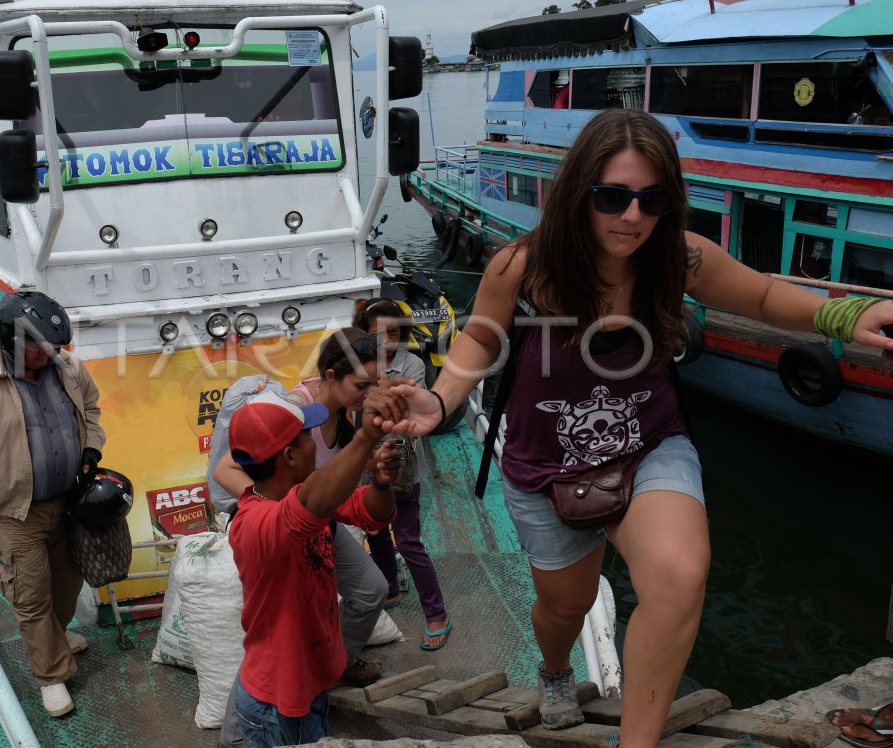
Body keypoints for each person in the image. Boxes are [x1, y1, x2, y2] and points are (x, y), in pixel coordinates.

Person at [378, 108, 893, 747]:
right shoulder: (523, 266)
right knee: (565, 605)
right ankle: (557, 667)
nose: (631, 217)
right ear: (577, 196)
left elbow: (761, 297)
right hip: (547, 462)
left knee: (679, 577)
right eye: (612, 197)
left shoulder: (680, 258)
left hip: (649, 443)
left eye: (650, 201)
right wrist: (441, 396)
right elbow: (479, 342)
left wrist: (846, 316)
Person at [0, 289, 107, 718]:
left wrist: (90, 449)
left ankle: (55, 636)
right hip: (17, 512)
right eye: (39, 345)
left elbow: (90, 409)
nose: (49, 352)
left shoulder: (69, 368)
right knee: (31, 596)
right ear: (12, 342)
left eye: (53, 344)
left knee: (67, 584)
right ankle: (51, 676)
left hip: (67, 499)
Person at [213, 328, 394, 686]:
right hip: (288, 525)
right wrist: (275, 511)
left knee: (371, 588)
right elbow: (224, 469)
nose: (369, 394)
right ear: (331, 376)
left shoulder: (344, 410)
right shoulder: (296, 412)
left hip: (320, 518)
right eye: (362, 385)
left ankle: (338, 659)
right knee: (283, 627)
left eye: (375, 384)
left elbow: (344, 492)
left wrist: (373, 471)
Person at [227, 384, 402, 748]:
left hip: (309, 682)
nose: (315, 444)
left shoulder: (302, 492)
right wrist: (365, 438)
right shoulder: (254, 523)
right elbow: (312, 503)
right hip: (278, 702)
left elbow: (371, 512)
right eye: (307, 438)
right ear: (289, 456)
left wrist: (381, 484)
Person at [352, 299, 451, 650]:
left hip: (403, 464)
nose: (387, 340)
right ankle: (390, 589)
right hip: (367, 463)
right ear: (365, 333)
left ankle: (436, 614)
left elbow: (402, 406)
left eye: (394, 332)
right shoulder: (359, 364)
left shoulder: (411, 364)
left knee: (408, 540)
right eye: (379, 334)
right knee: (376, 532)